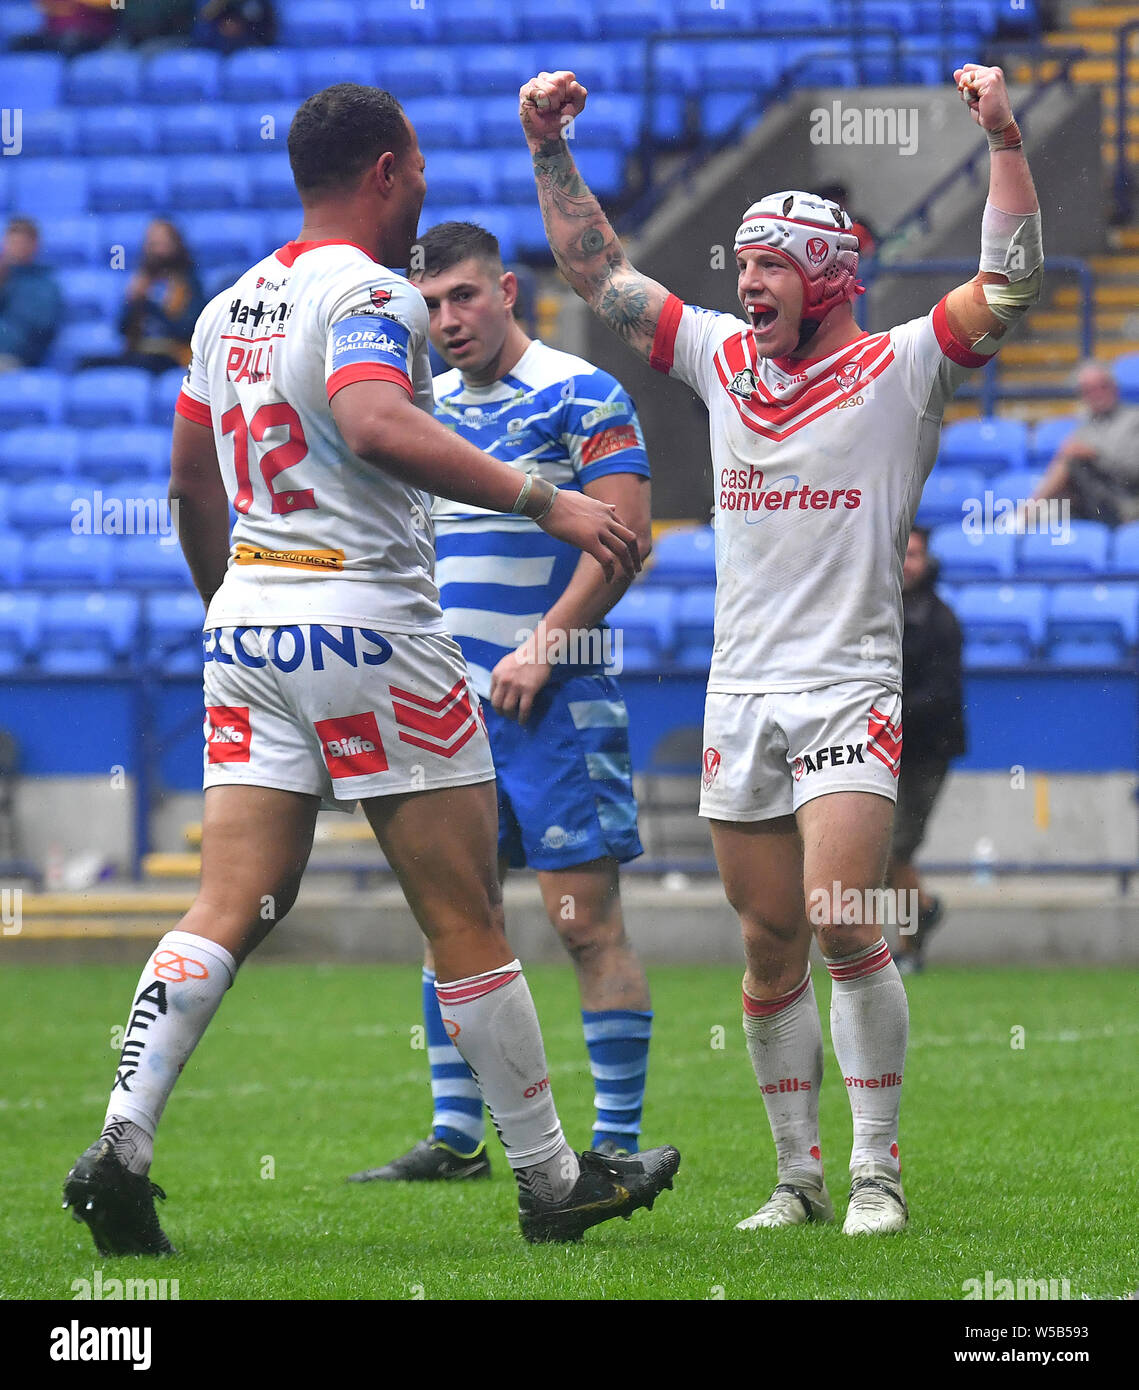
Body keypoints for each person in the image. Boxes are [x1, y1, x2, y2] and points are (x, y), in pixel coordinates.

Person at [62, 83, 680, 1256]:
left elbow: (192, 481)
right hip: (370, 622)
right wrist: (543, 500)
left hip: (247, 619)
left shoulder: (229, 301)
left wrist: (231, 609)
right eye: (422, 171)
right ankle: (552, 1179)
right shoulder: (368, 293)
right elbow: (375, 423)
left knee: (229, 902)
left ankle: (122, 1139)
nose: (426, 193)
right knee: (460, 912)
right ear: (387, 172)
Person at [519, 60, 1041, 1234]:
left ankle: (875, 1173)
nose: (746, 284)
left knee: (843, 913)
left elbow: (1007, 288)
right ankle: (795, 1177)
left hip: (848, 682)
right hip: (738, 690)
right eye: (741, 266)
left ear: (826, 276)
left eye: (768, 266)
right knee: (764, 947)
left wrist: (1002, 136)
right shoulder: (718, 356)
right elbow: (599, 275)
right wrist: (548, 148)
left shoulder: (900, 365)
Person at [347, 221, 655, 1182]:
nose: (446, 320)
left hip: (553, 706)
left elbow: (627, 540)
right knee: (454, 916)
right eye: (430, 305)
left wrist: (543, 647)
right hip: (447, 705)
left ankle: (611, 1142)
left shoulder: (581, 391)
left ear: (508, 290)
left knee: (581, 921)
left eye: (463, 298)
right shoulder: (415, 412)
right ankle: (455, 1136)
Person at [887, 526, 966, 975]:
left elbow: (942, 695)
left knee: (897, 852)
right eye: (902, 553)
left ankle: (911, 949)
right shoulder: (877, 612)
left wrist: (887, 712)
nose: (907, 563)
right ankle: (925, 908)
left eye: (914, 554)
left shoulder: (940, 620)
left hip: (923, 754)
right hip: (885, 749)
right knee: (885, 856)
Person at [82, 220, 206, 374]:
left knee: (145, 363)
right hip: (139, 352)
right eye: (152, 243)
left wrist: (152, 305)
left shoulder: (189, 282)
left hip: (172, 354)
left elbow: (187, 329)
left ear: (176, 245)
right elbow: (121, 330)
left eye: (162, 243)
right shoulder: (143, 279)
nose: (156, 250)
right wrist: (132, 301)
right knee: (86, 364)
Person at [1033, 360, 1139, 525]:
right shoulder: (1085, 426)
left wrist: (1095, 455)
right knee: (1068, 461)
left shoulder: (1134, 420)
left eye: (1102, 386)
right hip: (1091, 504)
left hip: (1126, 503)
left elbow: (1133, 471)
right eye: (1089, 390)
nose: (1097, 394)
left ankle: (1026, 511)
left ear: (1115, 387)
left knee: (1071, 459)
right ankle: (1029, 513)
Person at [0, 217, 63, 370]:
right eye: (12, 243)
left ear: (35, 245)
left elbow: (40, 326)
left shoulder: (46, 285)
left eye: (22, 243)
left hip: (17, 357)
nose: (16, 248)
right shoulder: (4, 276)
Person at [10, 0, 117, 56]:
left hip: (91, 35)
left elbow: (117, 4)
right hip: (54, 34)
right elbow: (44, 6)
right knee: (20, 42)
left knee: (71, 40)